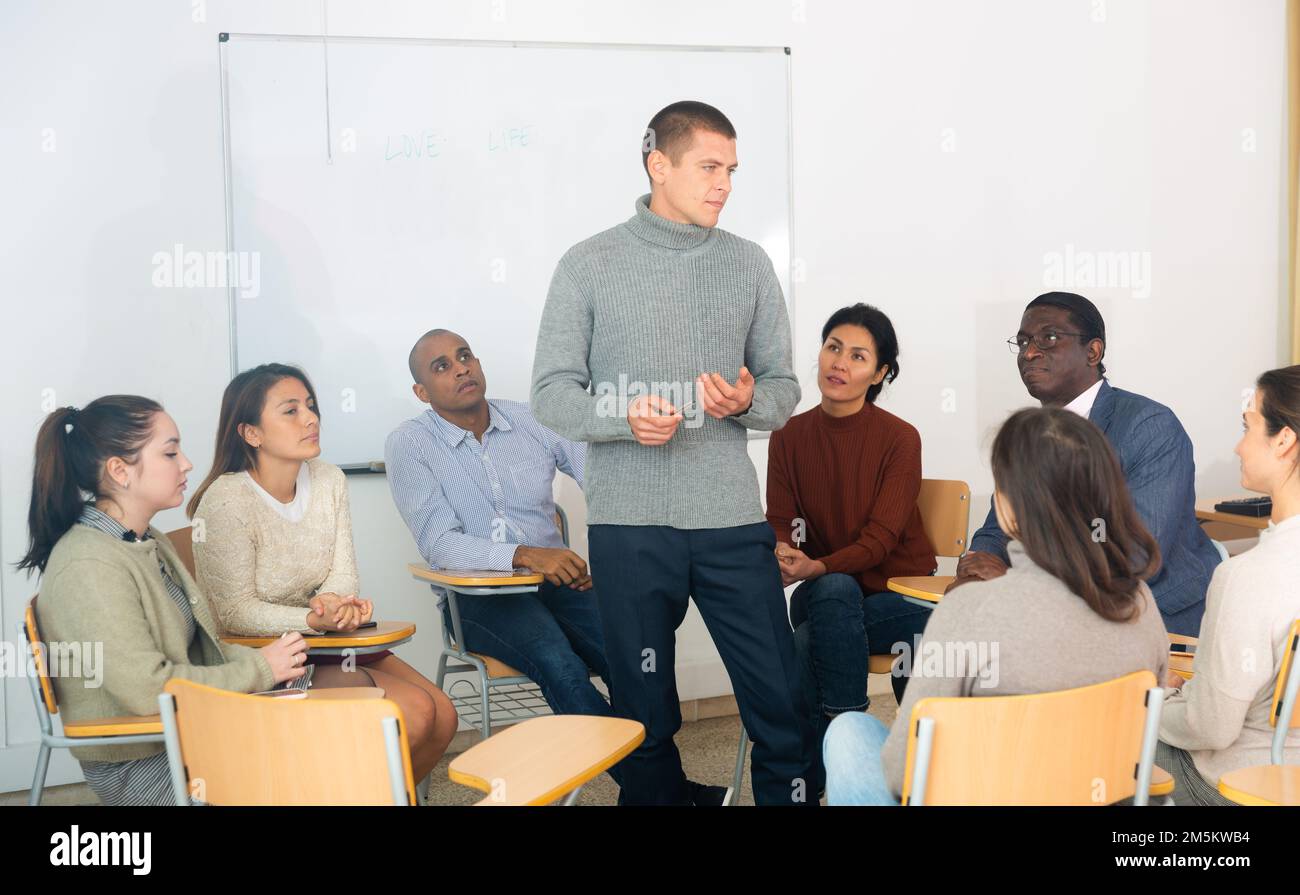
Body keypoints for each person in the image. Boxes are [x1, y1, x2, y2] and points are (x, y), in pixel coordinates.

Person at [531, 100, 813, 806]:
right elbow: (551, 395)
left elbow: (782, 390)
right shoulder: (588, 264)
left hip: (729, 519)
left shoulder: (749, 264)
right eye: (709, 167)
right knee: (644, 710)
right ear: (659, 164)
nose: (725, 185)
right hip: (630, 525)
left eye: (732, 171)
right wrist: (623, 418)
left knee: (778, 695)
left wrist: (745, 402)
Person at [823, 407, 1169, 804]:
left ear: (1005, 508)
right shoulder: (1140, 602)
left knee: (849, 732)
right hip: (1099, 796)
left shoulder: (969, 611)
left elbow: (905, 773)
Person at [19, 395, 309, 806]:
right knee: (321, 766)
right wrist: (261, 669)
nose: (186, 464)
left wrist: (276, 665)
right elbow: (148, 689)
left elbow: (201, 649)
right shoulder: (89, 564)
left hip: (184, 735)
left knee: (332, 729)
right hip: (142, 764)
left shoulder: (145, 539)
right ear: (119, 471)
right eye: (170, 453)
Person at [189, 363, 456, 782]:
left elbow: (342, 573)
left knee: (443, 715)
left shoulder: (328, 479)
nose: (311, 418)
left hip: (326, 642)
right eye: (291, 410)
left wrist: (334, 603)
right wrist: (313, 619)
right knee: (416, 714)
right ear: (251, 433)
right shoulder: (225, 502)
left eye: (310, 406)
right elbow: (234, 613)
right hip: (262, 657)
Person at [385, 329, 618, 728]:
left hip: (558, 585)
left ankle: (652, 762)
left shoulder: (533, 419)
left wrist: (612, 561)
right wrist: (526, 555)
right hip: (479, 599)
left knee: (628, 652)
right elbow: (440, 544)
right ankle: (637, 768)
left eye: (465, 356)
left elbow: (603, 485)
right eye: (442, 366)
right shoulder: (410, 443)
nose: (461, 369)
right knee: (561, 664)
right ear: (422, 392)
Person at [956, 291, 1219, 635]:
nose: (1029, 353)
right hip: (1056, 611)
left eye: (1049, 338)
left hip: (1149, 614)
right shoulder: (1031, 433)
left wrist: (1018, 584)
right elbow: (997, 531)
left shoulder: (1148, 426)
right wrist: (976, 569)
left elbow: (1136, 555)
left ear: (1093, 352)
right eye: (1023, 342)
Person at [765, 303, 936, 788]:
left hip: (899, 596)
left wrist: (817, 566)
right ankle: (851, 740)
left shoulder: (900, 439)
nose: (839, 363)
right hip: (822, 593)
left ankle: (819, 766)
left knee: (806, 642)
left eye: (858, 356)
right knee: (836, 590)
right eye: (833, 347)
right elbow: (781, 522)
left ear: (880, 373)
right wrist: (783, 551)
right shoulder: (789, 435)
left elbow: (880, 541)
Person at [1158, 365, 1300, 804]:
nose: (1238, 446)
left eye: (1247, 426)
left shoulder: (1247, 576)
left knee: (1096, 735)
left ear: (1284, 440)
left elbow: (1211, 728)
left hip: (1239, 784)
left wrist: (1155, 703)